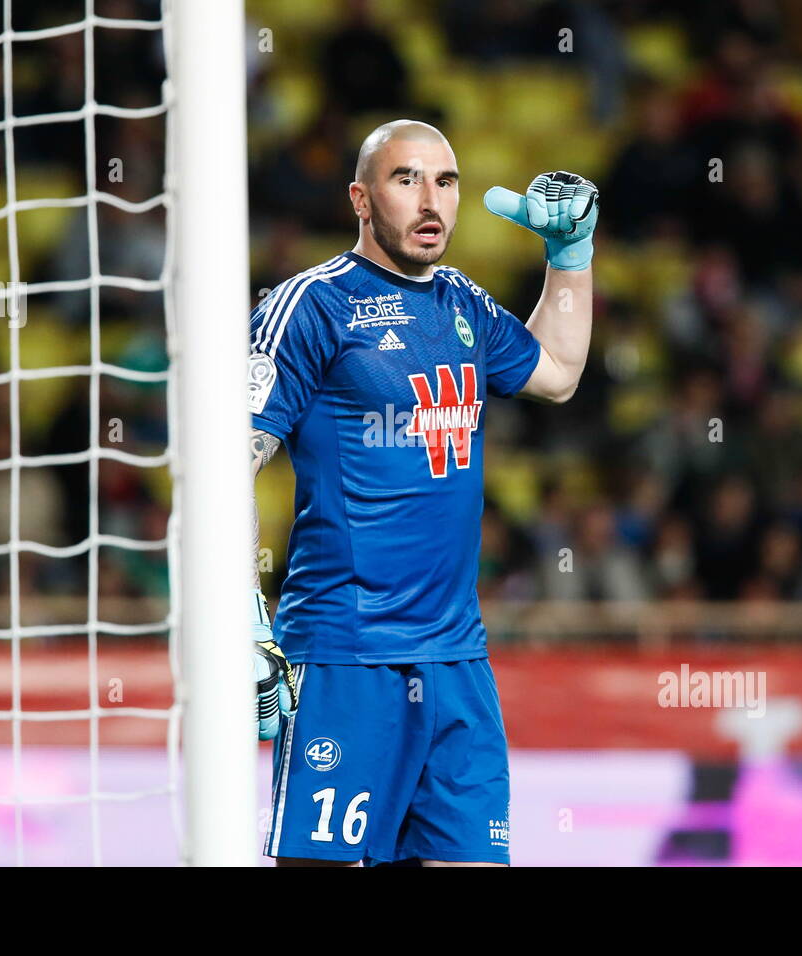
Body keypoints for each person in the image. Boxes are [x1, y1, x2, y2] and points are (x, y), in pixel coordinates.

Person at [248, 119, 597, 866]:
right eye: (406, 179)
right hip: (347, 656)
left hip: (456, 663)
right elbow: (227, 462)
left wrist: (569, 256)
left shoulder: (462, 304)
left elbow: (559, 373)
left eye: (446, 181)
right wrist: (242, 612)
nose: (430, 199)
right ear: (361, 199)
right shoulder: (310, 306)